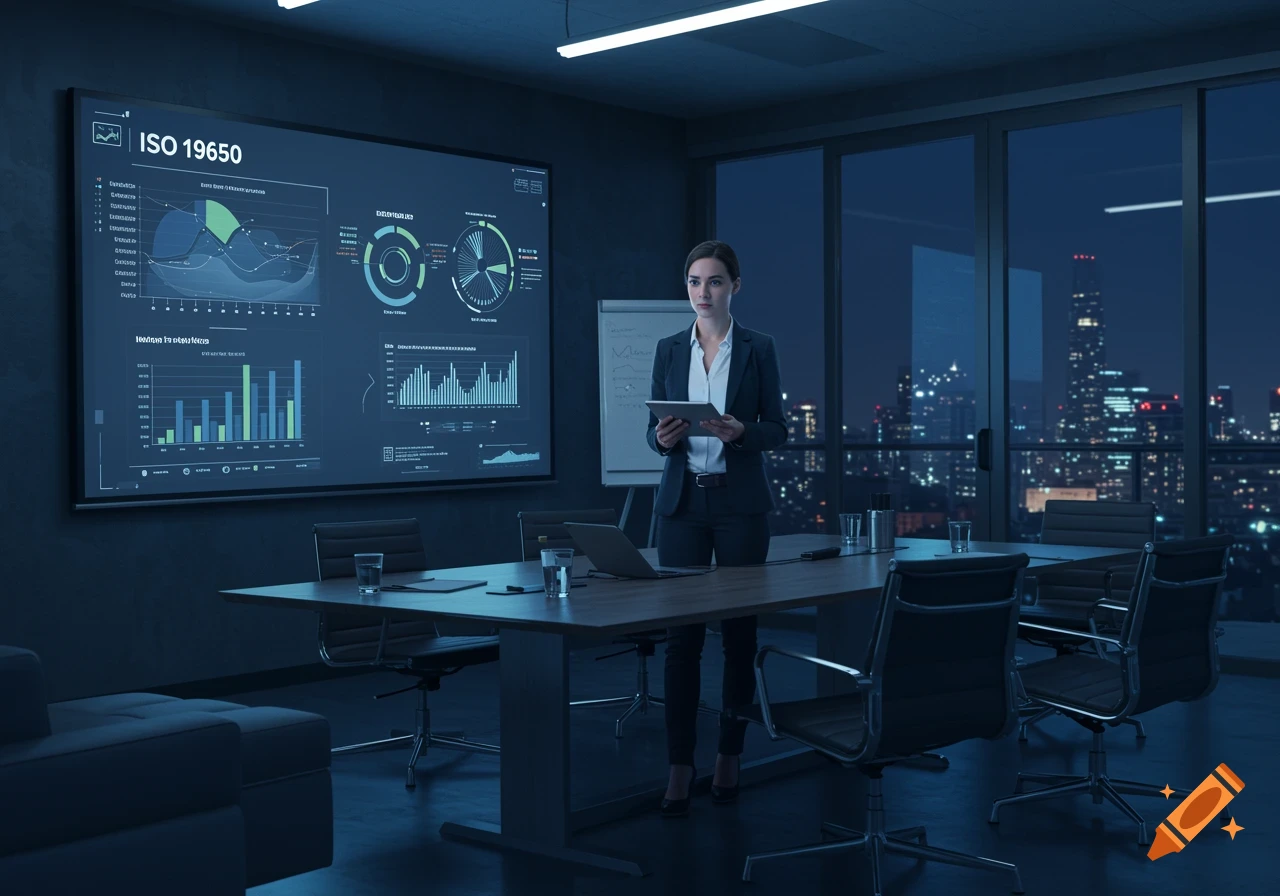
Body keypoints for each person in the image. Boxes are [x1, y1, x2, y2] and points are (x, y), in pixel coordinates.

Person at [645, 240, 788, 817]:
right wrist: (661, 439)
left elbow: (777, 428)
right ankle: (680, 762)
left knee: (738, 637)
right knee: (681, 642)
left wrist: (741, 434)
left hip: (739, 507)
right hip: (681, 506)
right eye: (695, 283)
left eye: (715, 282)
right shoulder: (668, 347)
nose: (704, 293)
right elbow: (651, 434)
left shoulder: (758, 348)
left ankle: (730, 753)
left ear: (735, 287)